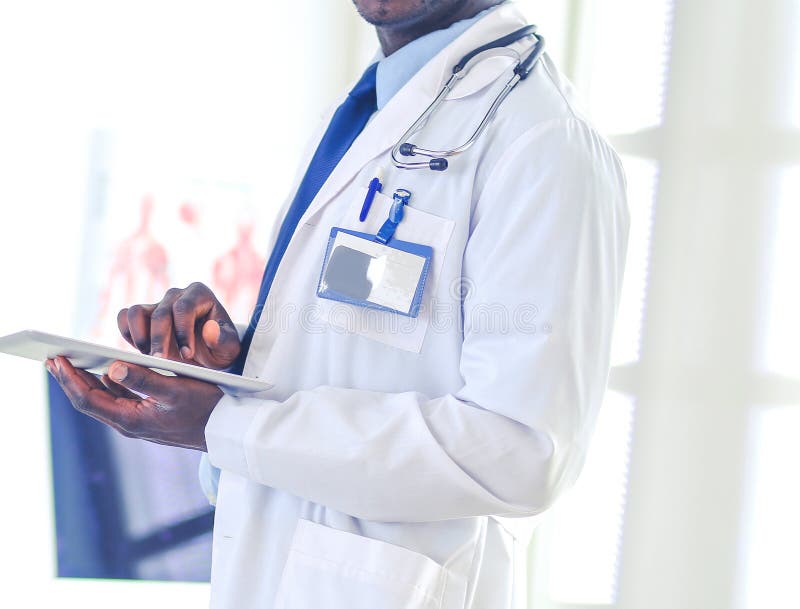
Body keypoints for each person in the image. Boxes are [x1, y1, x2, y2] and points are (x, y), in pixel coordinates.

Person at [47, 0, 629, 607]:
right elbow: (373, 334)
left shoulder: (548, 143)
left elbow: (520, 452)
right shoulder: (372, 111)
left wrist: (228, 423)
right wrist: (237, 365)